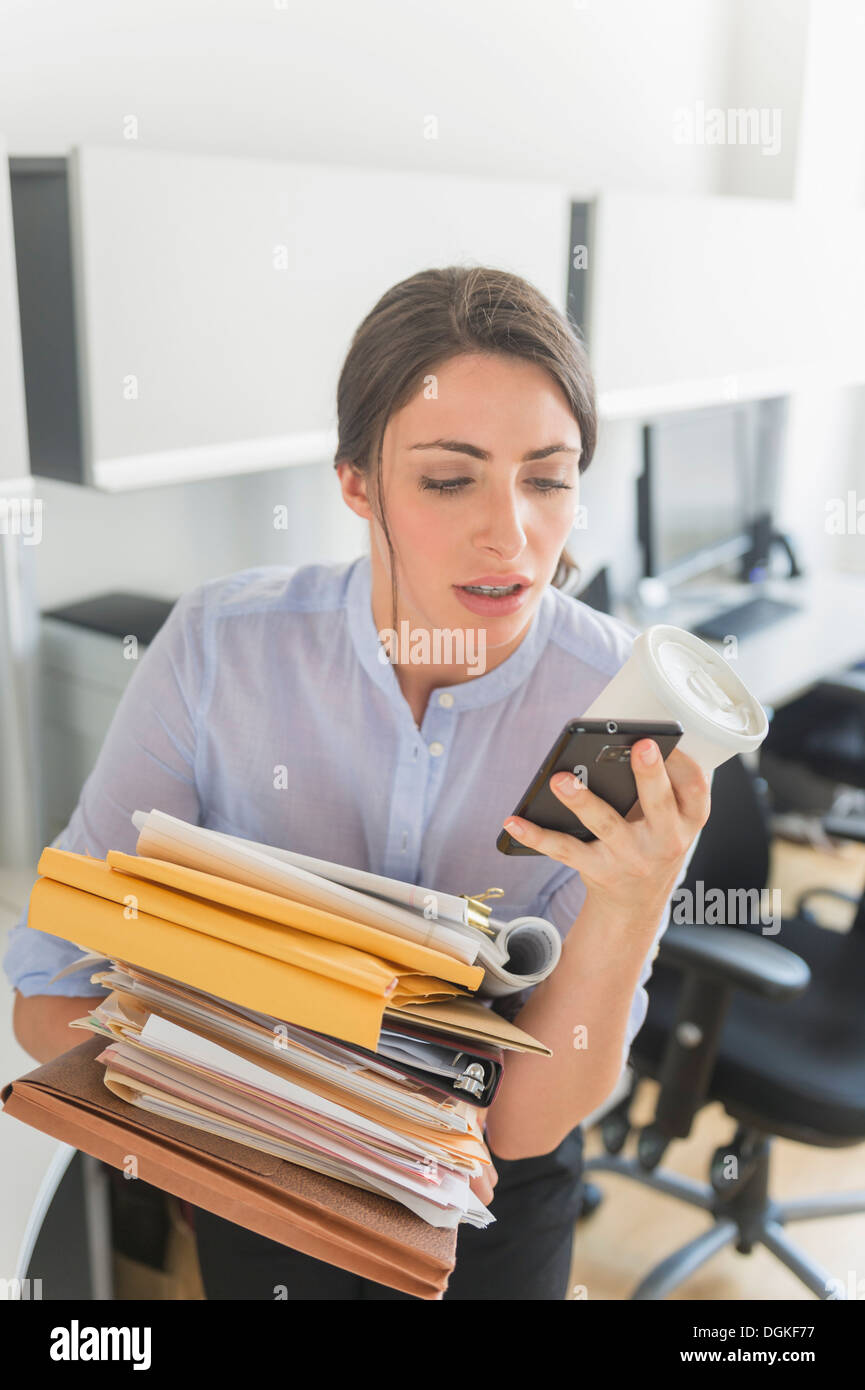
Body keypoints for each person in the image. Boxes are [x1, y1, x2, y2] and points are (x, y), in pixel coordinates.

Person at [5, 264, 710, 1300]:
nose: (510, 534)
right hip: (252, 1163)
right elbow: (52, 986)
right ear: (356, 482)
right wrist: (248, 1107)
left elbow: (521, 1121)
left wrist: (632, 899)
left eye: (547, 477)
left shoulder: (610, 702)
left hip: (488, 1196)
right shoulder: (219, 649)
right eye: (447, 477)